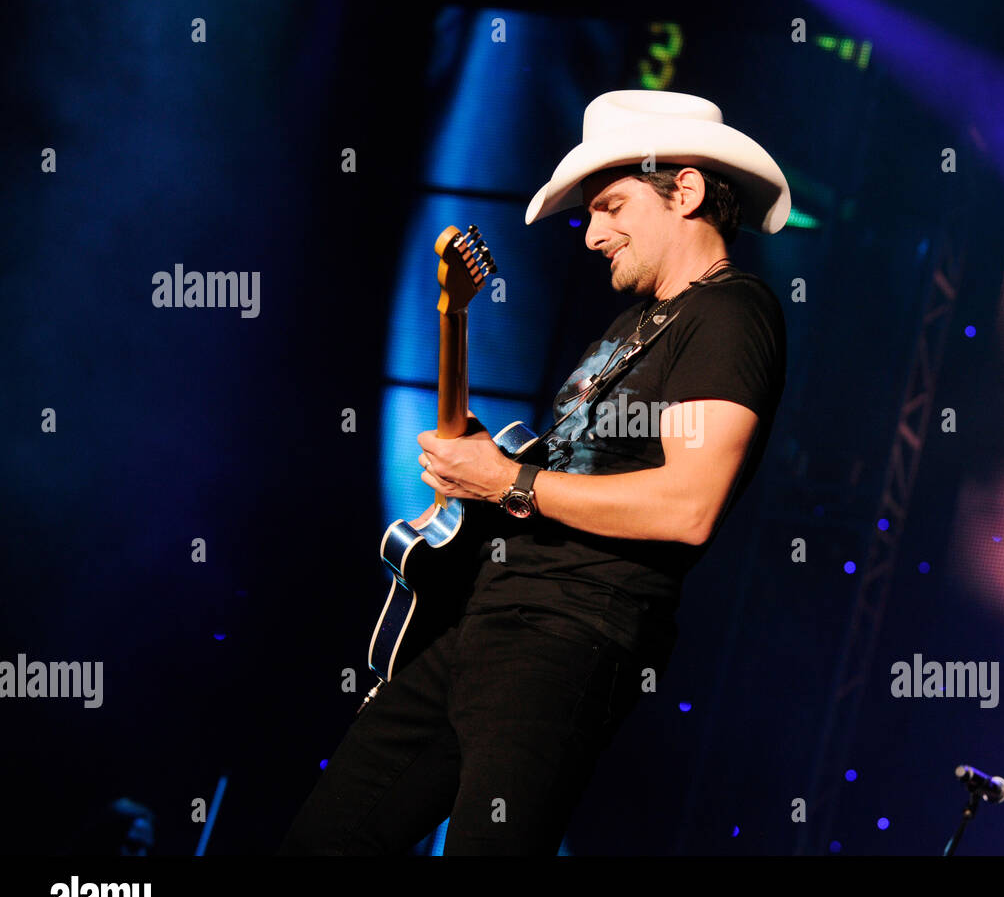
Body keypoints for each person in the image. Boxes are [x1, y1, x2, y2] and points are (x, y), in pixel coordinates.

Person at [279, 90, 790, 855]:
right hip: (477, 627)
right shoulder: (629, 327)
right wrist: (455, 324)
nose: (592, 236)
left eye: (611, 208)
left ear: (683, 191)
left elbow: (689, 504)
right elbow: (507, 479)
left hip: (569, 640)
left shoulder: (730, 316)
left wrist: (509, 483)